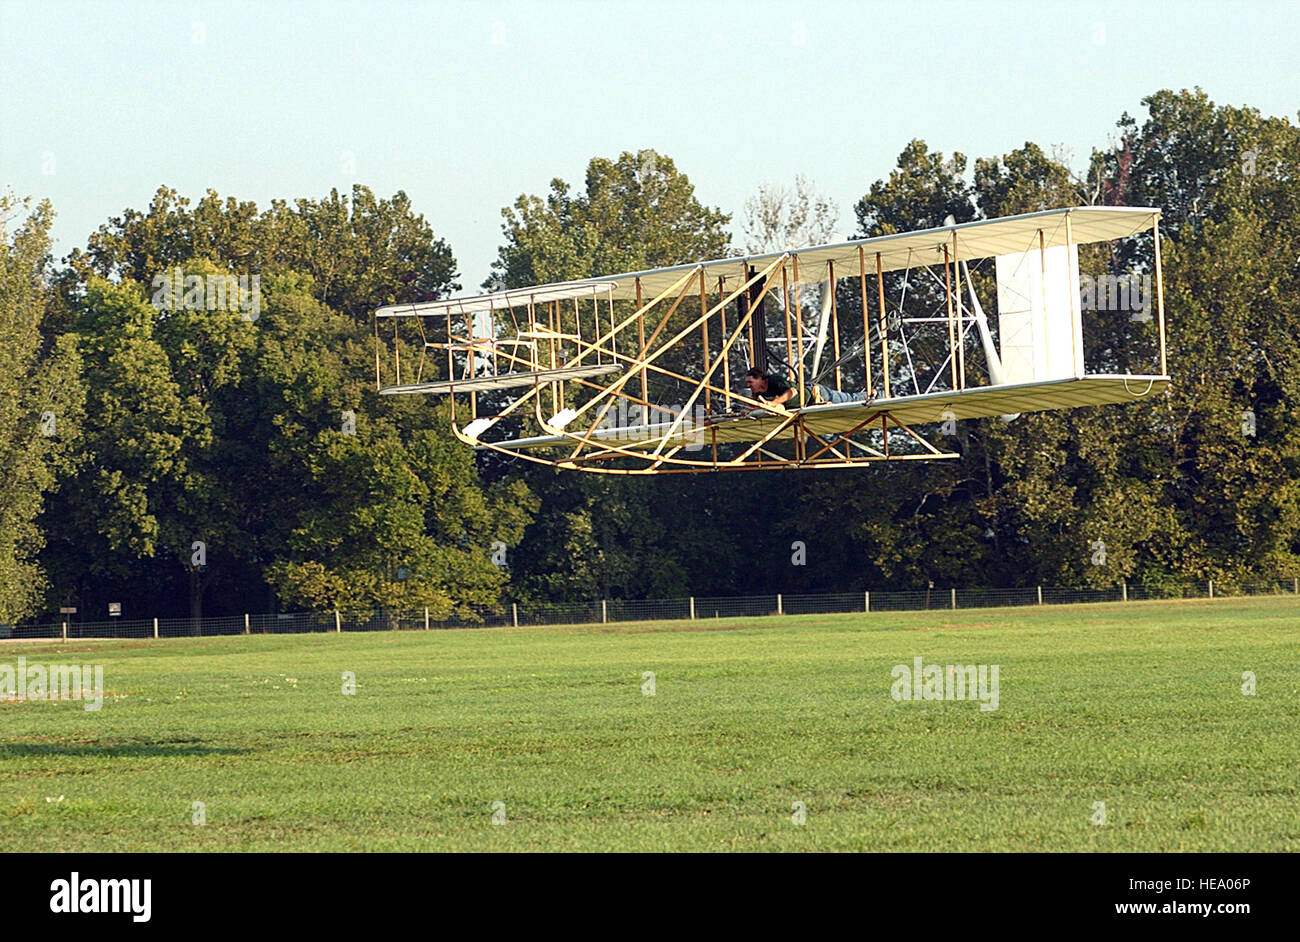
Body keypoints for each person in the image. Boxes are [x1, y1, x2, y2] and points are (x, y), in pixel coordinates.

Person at [741, 367, 871, 414]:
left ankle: (876, 395)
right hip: (808, 405)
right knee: (849, 402)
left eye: (750, 382)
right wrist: (749, 410)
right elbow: (759, 406)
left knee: (850, 399)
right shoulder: (757, 392)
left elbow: (793, 391)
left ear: (760, 379)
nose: (749, 385)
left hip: (818, 395)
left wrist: (774, 402)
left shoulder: (774, 380)